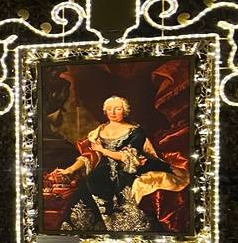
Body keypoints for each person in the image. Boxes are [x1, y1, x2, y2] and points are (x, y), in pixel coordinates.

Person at [50, 95, 186, 232]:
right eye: (109, 109)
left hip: (127, 170)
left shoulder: (136, 131)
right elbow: (90, 155)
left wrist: (103, 150)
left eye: (118, 109)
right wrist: (70, 169)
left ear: (125, 111)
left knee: (110, 183)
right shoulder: (99, 131)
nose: (113, 113)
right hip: (103, 170)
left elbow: (127, 156)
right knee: (90, 183)